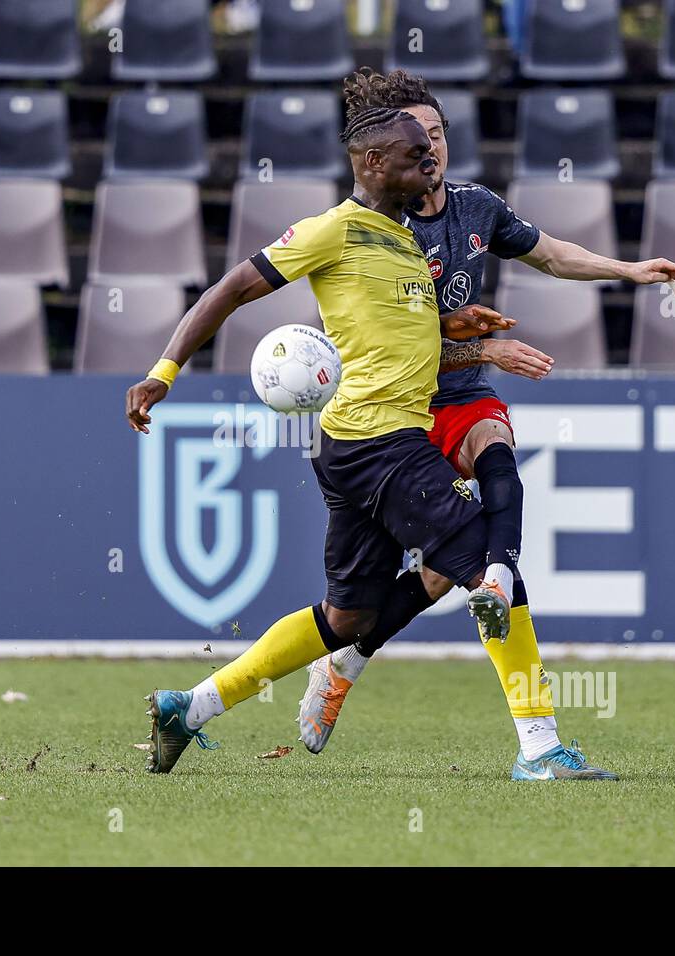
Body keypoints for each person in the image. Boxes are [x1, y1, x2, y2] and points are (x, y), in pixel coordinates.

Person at [296, 69, 675, 781]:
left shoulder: (476, 208)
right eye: (417, 139)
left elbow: (551, 254)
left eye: (438, 135)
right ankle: (351, 656)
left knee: (497, 463)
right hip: (397, 412)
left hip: (463, 398)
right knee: (434, 576)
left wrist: (628, 269)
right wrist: (482, 347)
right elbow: (393, 344)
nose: (431, 150)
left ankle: (491, 595)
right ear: (385, 151)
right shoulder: (371, 230)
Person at [125, 106, 516, 774]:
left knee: (346, 618)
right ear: (371, 164)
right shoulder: (333, 230)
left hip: (353, 445)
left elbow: (393, 330)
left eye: (432, 151)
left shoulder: (399, 240)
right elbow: (231, 288)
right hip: (379, 441)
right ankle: (537, 744)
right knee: (486, 552)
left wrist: (454, 329)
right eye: (414, 154)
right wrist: (164, 371)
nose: (430, 163)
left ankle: (187, 707)